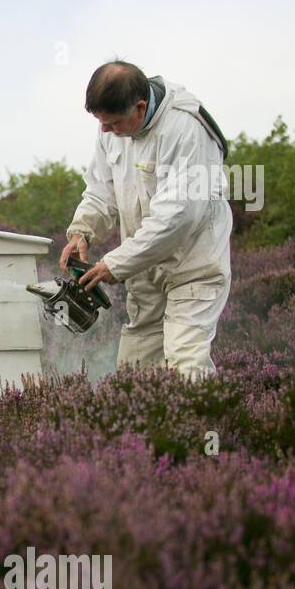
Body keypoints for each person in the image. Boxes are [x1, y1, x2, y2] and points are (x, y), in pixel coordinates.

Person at [63, 61, 233, 379]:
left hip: (194, 268)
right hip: (145, 271)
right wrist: (82, 232)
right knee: (136, 371)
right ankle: (144, 430)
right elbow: (101, 188)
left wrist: (116, 264)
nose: (104, 130)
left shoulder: (186, 129)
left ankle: (203, 427)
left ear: (140, 108)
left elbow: (177, 217)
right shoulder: (112, 126)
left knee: (186, 363)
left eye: (111, 123)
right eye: (101, 122)